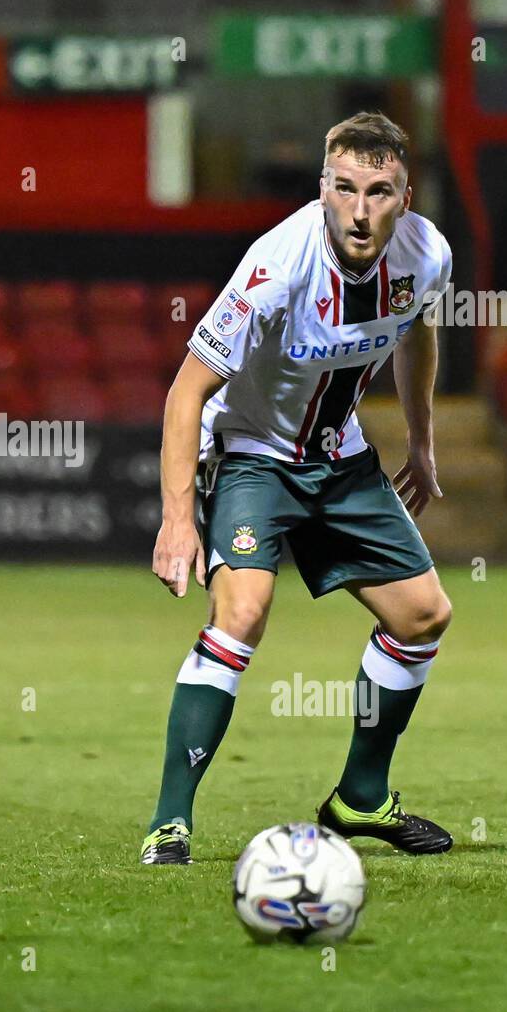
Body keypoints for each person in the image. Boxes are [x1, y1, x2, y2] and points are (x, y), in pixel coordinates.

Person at [142, 112, 453, 865]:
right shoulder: (275, 267)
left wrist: (421, 437)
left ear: (404, 198)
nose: (359, 208)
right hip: (253, 455)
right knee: (242, 613)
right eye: (344, 188)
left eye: (378, 191)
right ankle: (170, 823)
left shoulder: (427, 254)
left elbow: (416, 331)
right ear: (322, 189)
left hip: (341, 460)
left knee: (423, 617)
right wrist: (177, 520)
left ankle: (361, 799)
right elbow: (186, 393)